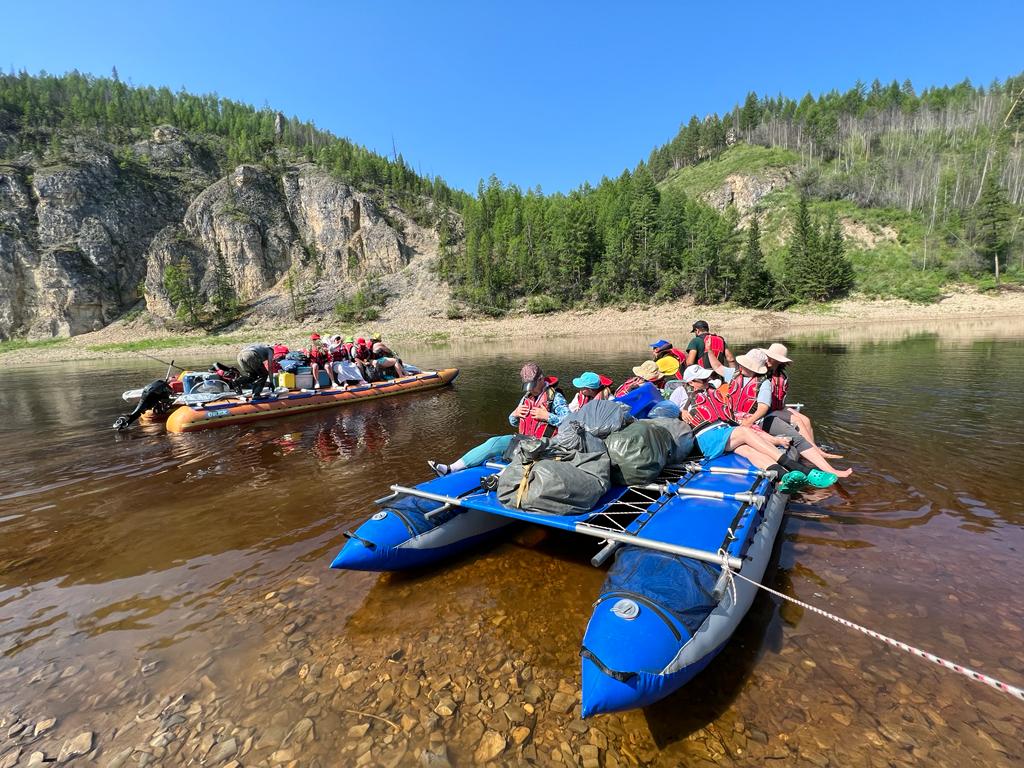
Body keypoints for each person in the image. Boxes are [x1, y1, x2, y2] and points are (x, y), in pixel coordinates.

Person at [706, 347, 852, 480]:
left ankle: (830, 469)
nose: (741, 366)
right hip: (734, 420)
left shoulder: (763, 383)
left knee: (797, 438)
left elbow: (763, 408)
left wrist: (749, 422)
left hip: (758, 419)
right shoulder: (734, 374)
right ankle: (787, 461)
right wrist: (709, 350)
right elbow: (717, 367)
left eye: (746, 364)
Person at [680, 364, 817, 492]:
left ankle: (783, 477)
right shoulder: (681, 393)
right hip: (707, 437)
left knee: (749, 451)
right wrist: (681, 412)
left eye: (707, 378)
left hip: (723, 432)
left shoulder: (710, 389)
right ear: (691, 383)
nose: (706, 381)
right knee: (744, 431)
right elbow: (665, 409)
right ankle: (796, 467)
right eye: (702, 380)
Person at [428, 362, 569, 476]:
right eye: (528, 386)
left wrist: (547, 416)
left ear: (541, 379)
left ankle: (500, 478)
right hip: (524, 440)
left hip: (544, 444)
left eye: (532, 386)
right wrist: (515, 414)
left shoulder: (555, 397)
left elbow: (570, 421)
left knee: (525, 456)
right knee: (494, 442)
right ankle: (450, 468)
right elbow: (512, 422)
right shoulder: (527, 396)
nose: (530, 390)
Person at [761, 343, 840, 458]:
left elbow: (781, 397)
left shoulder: (781, 374)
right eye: (769, 357)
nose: (768, 360)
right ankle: (817, 453)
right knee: (797, 420)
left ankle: (812, 449)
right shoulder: (762, 372)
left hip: (778, 407)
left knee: (806, 420)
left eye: (772, 358)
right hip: (768, 409)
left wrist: (784, 409)